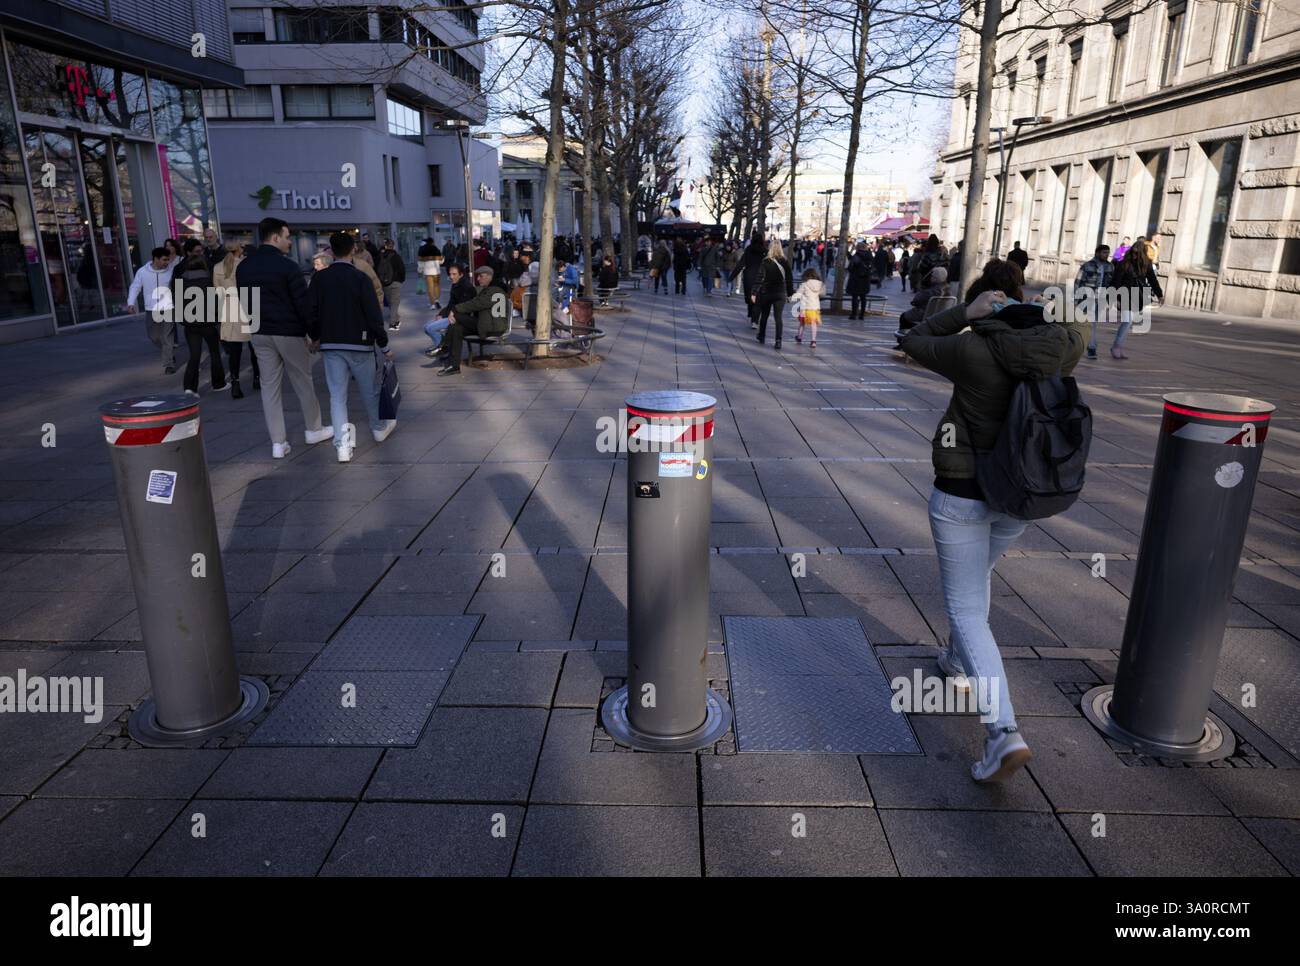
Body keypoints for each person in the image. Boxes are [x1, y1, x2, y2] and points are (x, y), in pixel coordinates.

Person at [898, 264, 1086, 783]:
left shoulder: (971, 349)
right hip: (1021, 494)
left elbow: (913, 337)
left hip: (961, 490)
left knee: (966, 608)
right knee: (977, 575)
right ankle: (957, 663)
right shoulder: (1061, 348)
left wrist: (966, 312)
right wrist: (1056, 304)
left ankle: (1003, 731)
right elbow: (1079, 324)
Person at [236, 216, 333, 459]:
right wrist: (315, 334)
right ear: (276, 237)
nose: (290, 242)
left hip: (259, 332)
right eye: (288, 237)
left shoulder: (244, 267)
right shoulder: (288, 267)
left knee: (270, 388)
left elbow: (244, 302)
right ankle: (314, 429)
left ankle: (278, 443)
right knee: (302, 381)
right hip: (288, 331)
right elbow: (303, 305)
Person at [305, 232, 396, 463]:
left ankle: (342, 447)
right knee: (369, 389)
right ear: (353, 250)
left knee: (337, 396)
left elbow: (311, 312)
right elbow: (373, 316)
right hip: (360, 342)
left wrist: (316, 337)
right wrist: (383, 346)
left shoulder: (319, 279)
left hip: (331, 343)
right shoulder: (360, 278)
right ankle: (377, 428)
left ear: (331, 252)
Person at [439, 265, 510, 377]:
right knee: (455, 327)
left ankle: (444, 346)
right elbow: (475, 301)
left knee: (457, 316)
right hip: (485, 323)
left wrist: (455, 309)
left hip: (493, 327)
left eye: (480, 276)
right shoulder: (489, 289)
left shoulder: (495, 290)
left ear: (489, 277)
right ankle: (454, 366)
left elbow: (477, 304)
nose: (478, 279)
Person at [174, 252, 227, 395]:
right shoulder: (209, 281)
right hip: (208, 323)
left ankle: (190, 388)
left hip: (190, 324)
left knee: (194, 355)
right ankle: (218, 383)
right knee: (215, 353)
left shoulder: (180, 282)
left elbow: (177, 303)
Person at [214, 241, 260, 398]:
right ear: (239, 249)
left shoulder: (217, 267)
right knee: (254, 346)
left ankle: (235, 382)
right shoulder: (246, 265)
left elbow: (218, 292)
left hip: (229, 307)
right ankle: (256, 378)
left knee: (234, 351)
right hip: (247, 305)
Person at [126, 247, 177, 373]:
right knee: (154, 337)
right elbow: (135, 287)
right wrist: (131, 302)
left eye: (168, 260)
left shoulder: (172, 271)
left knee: (167, 336)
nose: (167, 262)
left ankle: (168, 364)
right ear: (155, 259)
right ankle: (168, 352)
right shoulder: (143, 272)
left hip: (168, 308)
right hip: (151, 309)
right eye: (164, 260)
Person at [1110, 242, 1162, 360]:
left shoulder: (1146, 264)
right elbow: (1116, 281)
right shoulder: (1124, 263)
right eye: (1133, 252)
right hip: (1124, 295)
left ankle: (1118, 347)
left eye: (1137, 253)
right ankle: (1116, 347)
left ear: (1142, 253)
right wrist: (1114, 298)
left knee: (1128, 323)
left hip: (1137, 296)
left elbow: (1153, 280)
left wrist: (1159, 295)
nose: (1134, 255)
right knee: (1127, 321)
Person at [1073, 244, 1115, 360]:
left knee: (1092, 323)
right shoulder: (1087, 266)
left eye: (1107, 253)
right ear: (1097, 253)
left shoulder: (1110, 267)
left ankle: (1088, 346)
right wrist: (1076, 299)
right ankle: (1090, 347)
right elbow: (1078, 282)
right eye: (1104, 253)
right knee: (1087, 323)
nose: (1106, 255)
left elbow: (1112, 285)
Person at [425, 263, 474, 360]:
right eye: (450, 274)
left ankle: (443, 348)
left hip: (460, 318)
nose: (451, 277)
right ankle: (444, 346)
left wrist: (451, 315)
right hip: (452, 315)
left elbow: (465, 307)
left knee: (430, 328)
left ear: (461, 274)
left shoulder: (466, 287)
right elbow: (451, 304)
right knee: (425, 327)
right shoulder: (456, 284)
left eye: (454, 274)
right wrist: (441, 314)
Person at [752, 239, 793, 347]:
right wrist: (790, 294)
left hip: (767, 292)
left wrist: (754, 292)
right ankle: (778, 340)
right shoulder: (784, 261)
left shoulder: (766, 261)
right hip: (780, 292)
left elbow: (759, 277)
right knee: (778, 317)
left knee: (764, 315)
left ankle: (761, 336)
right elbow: (789, 278)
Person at [731, 232, 765, 326]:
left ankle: (751, 312)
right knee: (758, 299)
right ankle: (755, 320)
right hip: (761, 278)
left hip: (748, 277)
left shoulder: (748, 249)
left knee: (750, 297)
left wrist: (732, 276)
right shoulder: (765, 251)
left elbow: (741, 264)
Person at [376, 239, 406, 330]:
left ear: (385, 246)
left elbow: (376, 268)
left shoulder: (380, 256)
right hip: (396, 282)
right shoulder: (396, 256)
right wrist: (401, 280)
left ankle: (396, 319)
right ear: (393, 246)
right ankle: (393, 324)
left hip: (385, 283)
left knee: (390, 302)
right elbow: (402, 269)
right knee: (395, 303)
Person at [792, 267, 824, 347]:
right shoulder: (820, 284)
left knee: (802, 323)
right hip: (815, 309)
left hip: (805, 308)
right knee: (814, 324)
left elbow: (798, 293)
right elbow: (823, 294)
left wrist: (792, 298)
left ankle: (799, 337)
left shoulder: (804, 284)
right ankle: (813, 341)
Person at [846, 243, 873, 319]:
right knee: (863, 297)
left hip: (856, 279)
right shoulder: (870, 256)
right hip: (865, 279)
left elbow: (850, 267)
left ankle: (854, 314)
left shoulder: (857, 256)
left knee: (855, 297)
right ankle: (862, 315)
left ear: (858, 247)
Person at [417, 237, 442, 309]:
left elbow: (420, 262)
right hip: (437, 271)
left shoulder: (422, 249)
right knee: (437, 286)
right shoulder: (436, 249)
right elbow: (441, 261)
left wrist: (420, 270)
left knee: (430, 288)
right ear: (432, 242)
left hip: (428, 272)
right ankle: (437, 300)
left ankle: (433, 304)